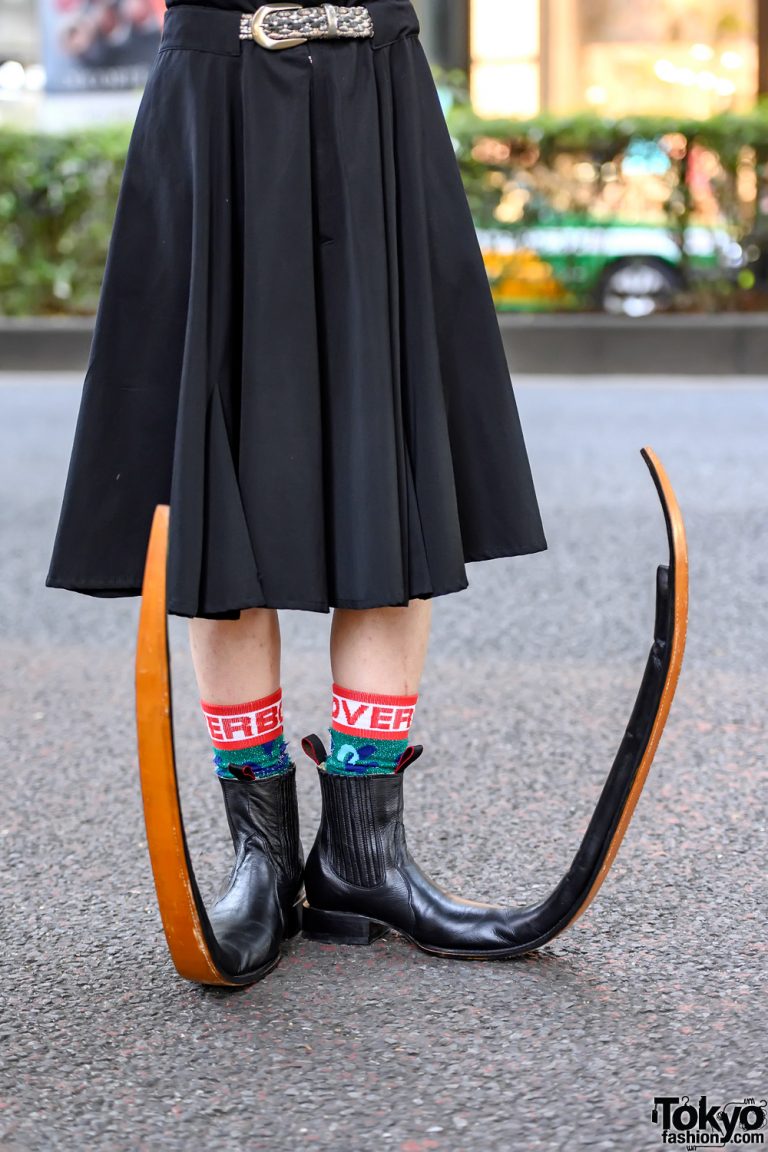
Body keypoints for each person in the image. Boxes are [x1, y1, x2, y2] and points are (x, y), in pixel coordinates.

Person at [45, 0, 549, 984]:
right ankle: (265, 859)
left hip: (377, 84)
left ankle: (363, 857)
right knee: (217, 475)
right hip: (217, 83)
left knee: (389, 459)